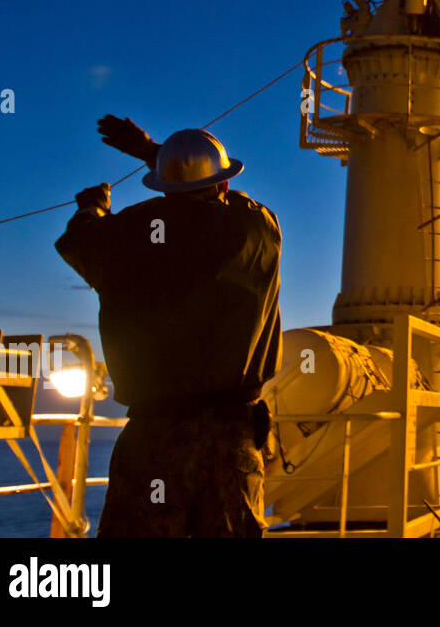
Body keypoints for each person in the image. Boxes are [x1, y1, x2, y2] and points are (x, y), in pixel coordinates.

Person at [55, 116, 282, 537]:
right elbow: (236, 203)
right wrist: (152, 151)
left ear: (159, 186)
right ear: (225, 184)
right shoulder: (255, 229)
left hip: (152, 437)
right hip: (229, 436)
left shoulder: (128, 233)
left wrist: (92, 208)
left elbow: (80, 242)